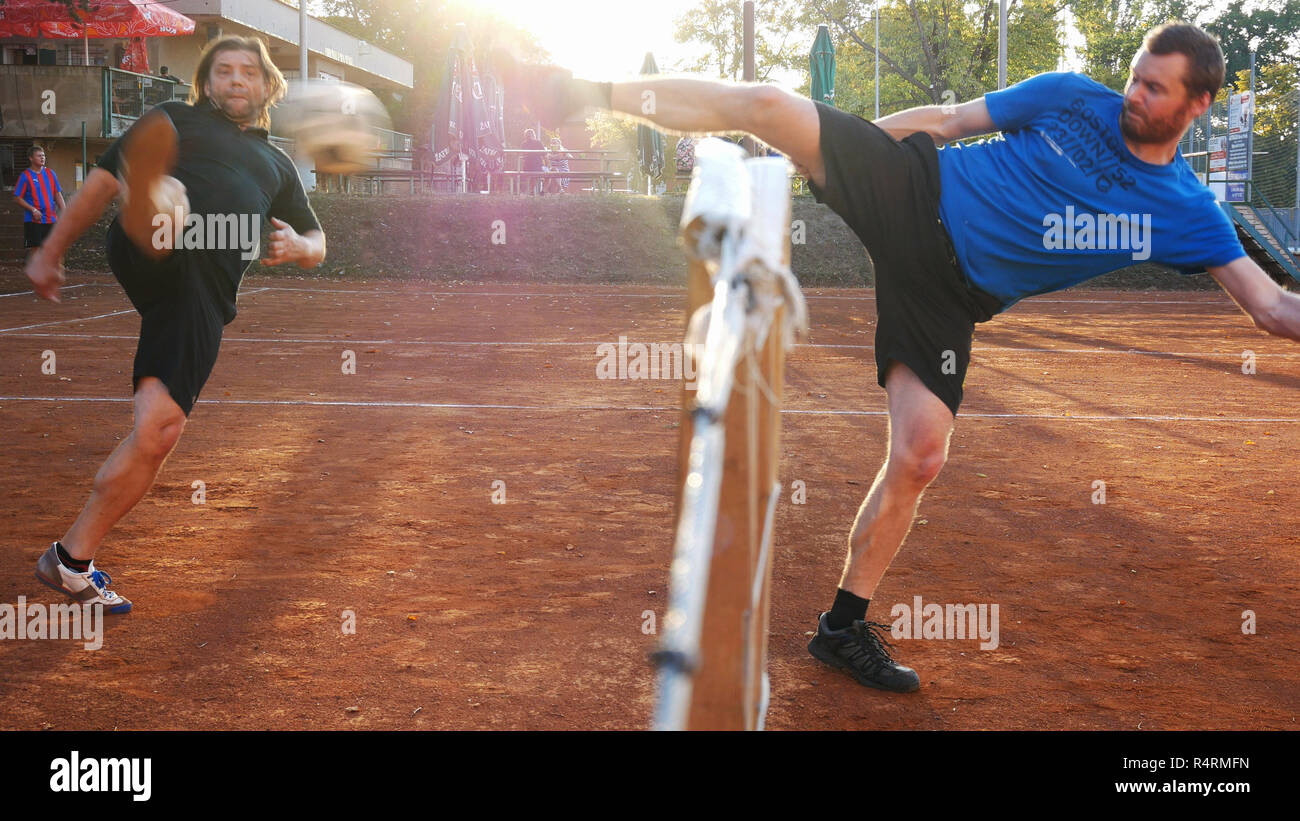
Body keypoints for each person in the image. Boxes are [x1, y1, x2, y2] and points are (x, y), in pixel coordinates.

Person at [504, 22, 1300, 692]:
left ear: (1198, 104)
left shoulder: (1189, 209)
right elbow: (951, 120)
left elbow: (1270, 307)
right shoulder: (1069, 96)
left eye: (1156, 89)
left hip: (949, 297)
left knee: (921, 456)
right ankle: (581, 90)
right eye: (1134, 78)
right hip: (913, 187)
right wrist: (829, 158)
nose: (1133, 94)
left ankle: (841, 629)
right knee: (768, 106)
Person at [24, 35, 326, 614]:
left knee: (158, 432)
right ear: (207, 83)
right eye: (223, 71)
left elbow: (317, 239)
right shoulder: (173, 119)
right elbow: (101, 181)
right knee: (170, 197)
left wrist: (299, 246)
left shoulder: (277, 164)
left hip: (201, 297)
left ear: (266, 86)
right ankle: (155, 201)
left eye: (248, 73)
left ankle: (69, 562)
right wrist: (51, 251)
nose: (236, 80)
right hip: (155, 247)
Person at [13, 145, 65, 254]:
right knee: (36, 250)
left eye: (44, 155)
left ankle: (52, 270)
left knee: (54, 248)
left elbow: (57, 194)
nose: (42, 158)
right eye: (39, 156)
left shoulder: (51, 173)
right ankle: (35, 271)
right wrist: (33, 210)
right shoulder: (25, 176)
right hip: (34, 220)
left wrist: (65, 212)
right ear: (31, 158)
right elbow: (17, 198)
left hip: (51, 219)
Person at [520, 128, 546, 194]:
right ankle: (541, 190)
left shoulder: (524, 144)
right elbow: (544, 155)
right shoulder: (537, 142)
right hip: (536, 166)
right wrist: (547, 164)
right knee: (547, 173)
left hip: (528, 166)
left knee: (540, 174)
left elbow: (523, 156)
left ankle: (534, 190)